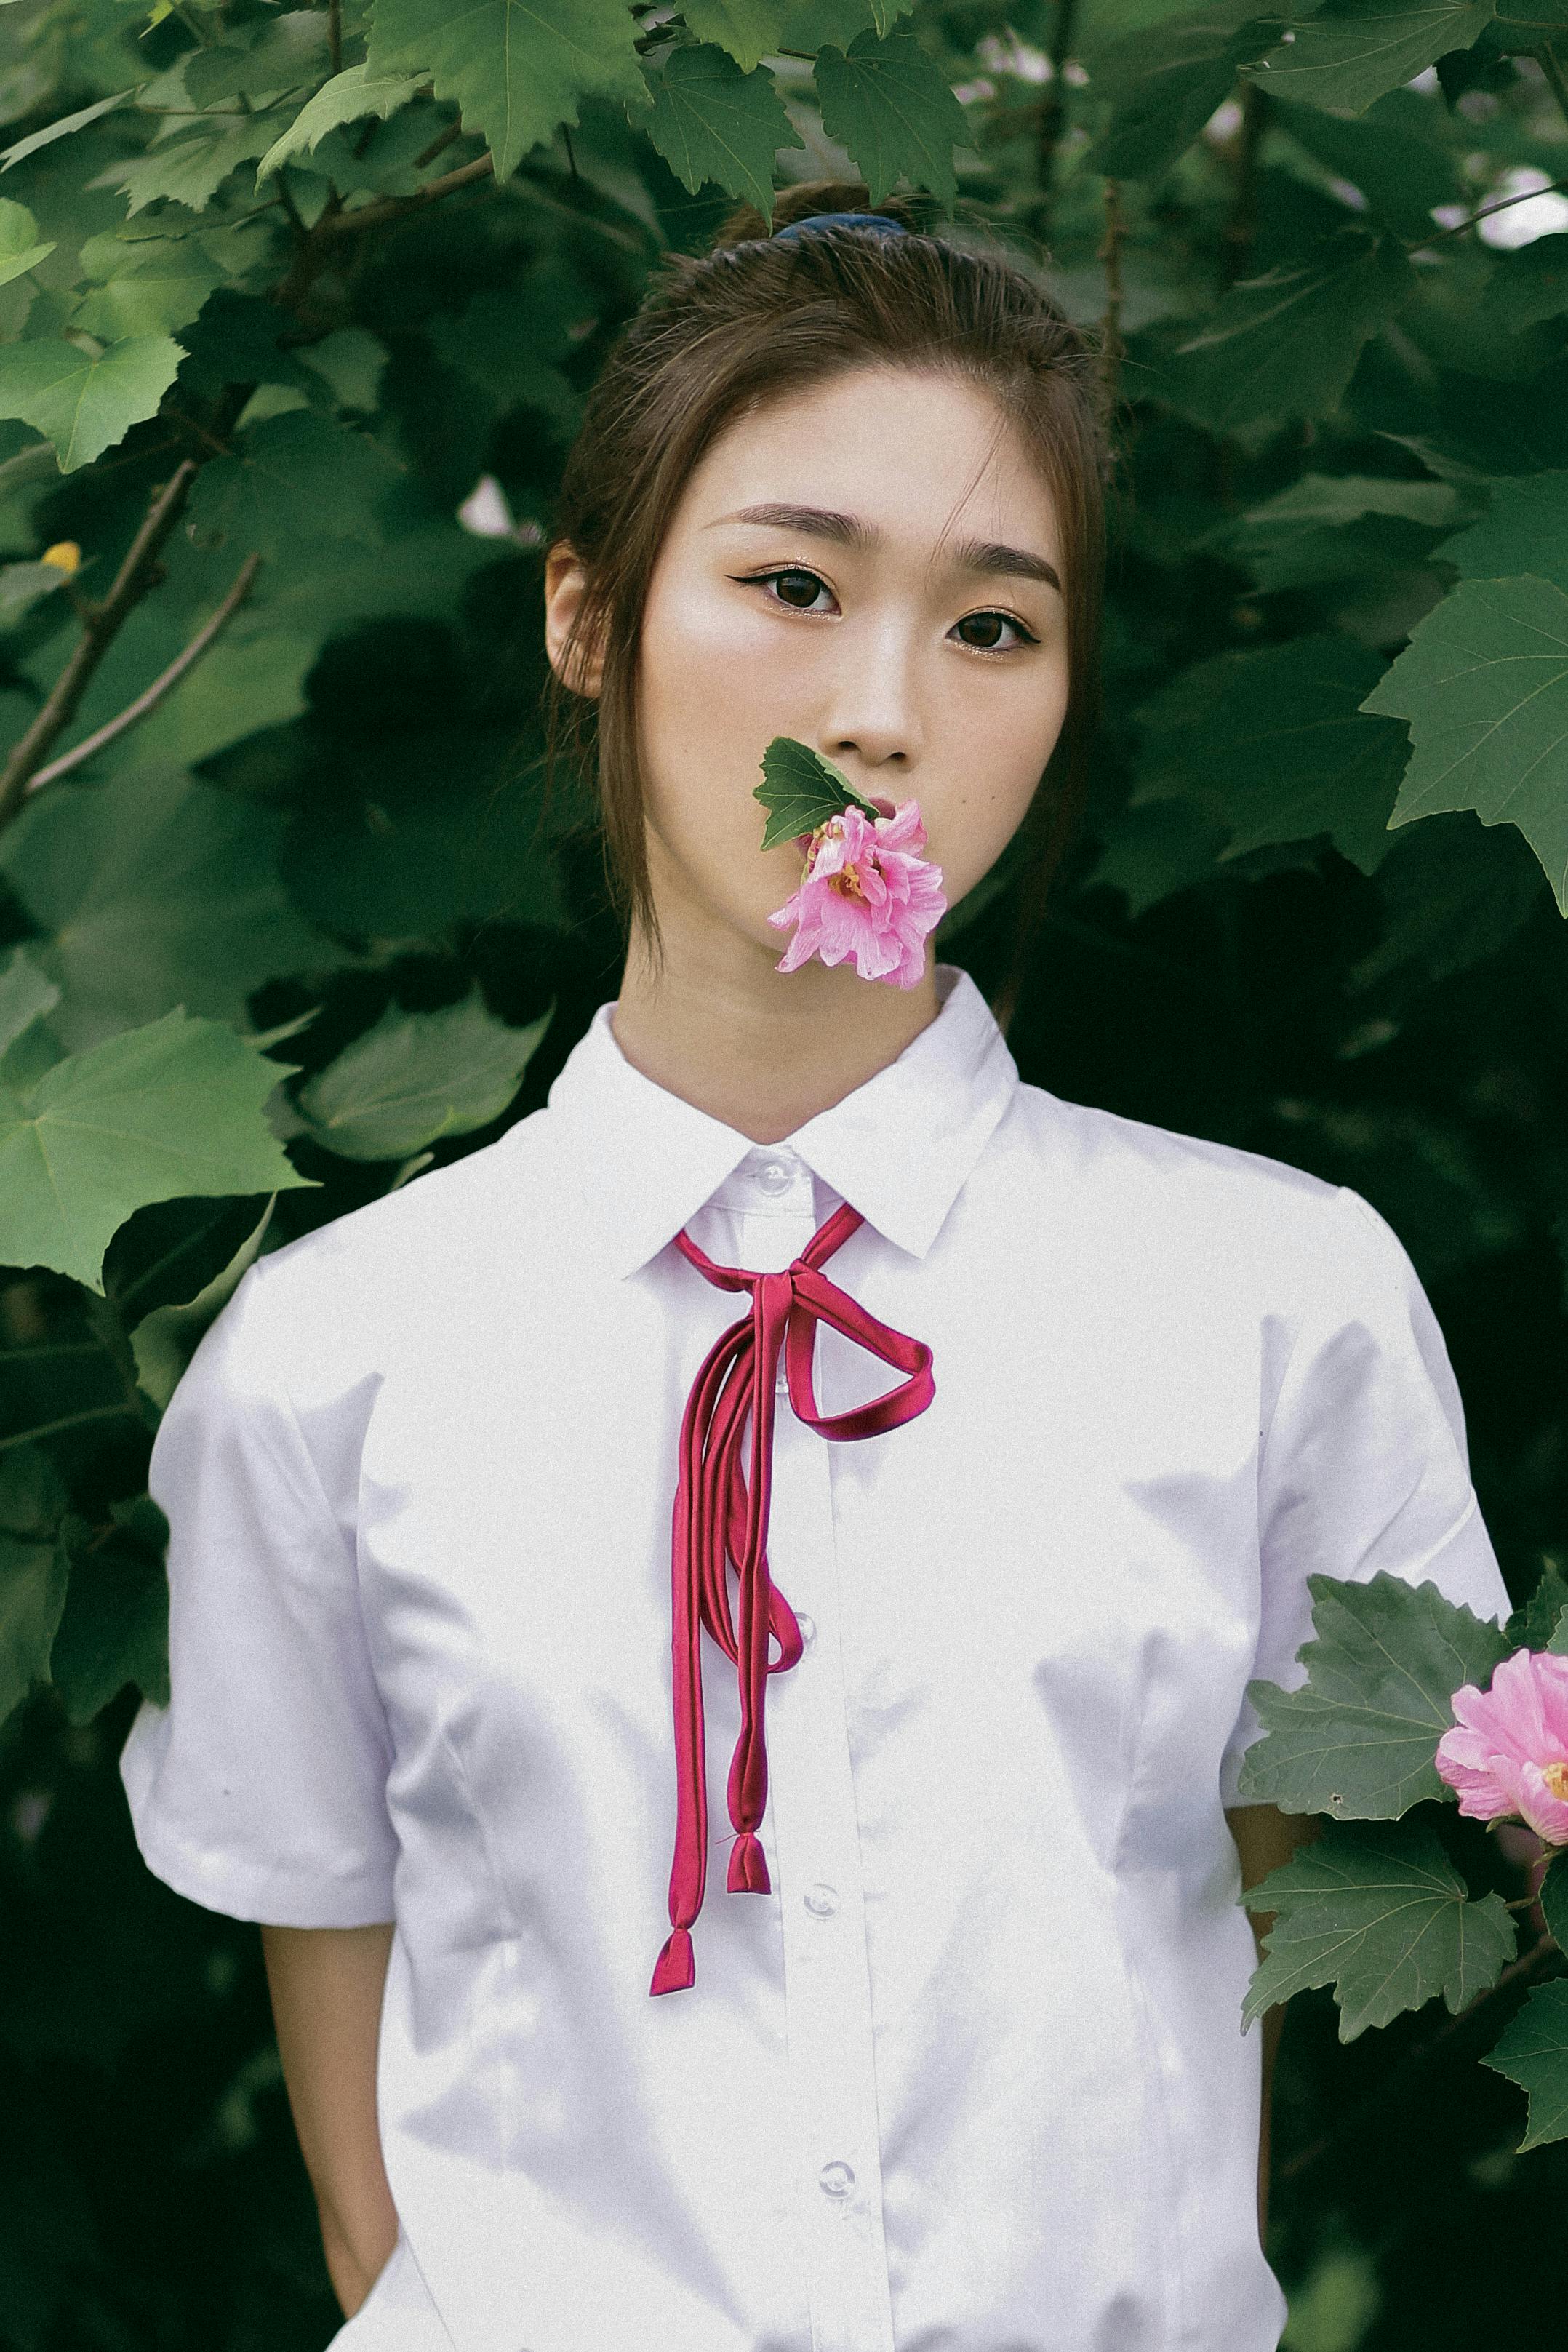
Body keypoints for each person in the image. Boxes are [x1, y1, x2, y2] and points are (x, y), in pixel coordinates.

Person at [118, 183, 1513, 2352]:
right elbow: (351, 2102)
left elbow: (1299, 1921)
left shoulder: (1275, 1299)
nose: (879, 715)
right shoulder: (337, 1361)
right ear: (587, 614)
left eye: (991, 625)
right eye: (788, 584)